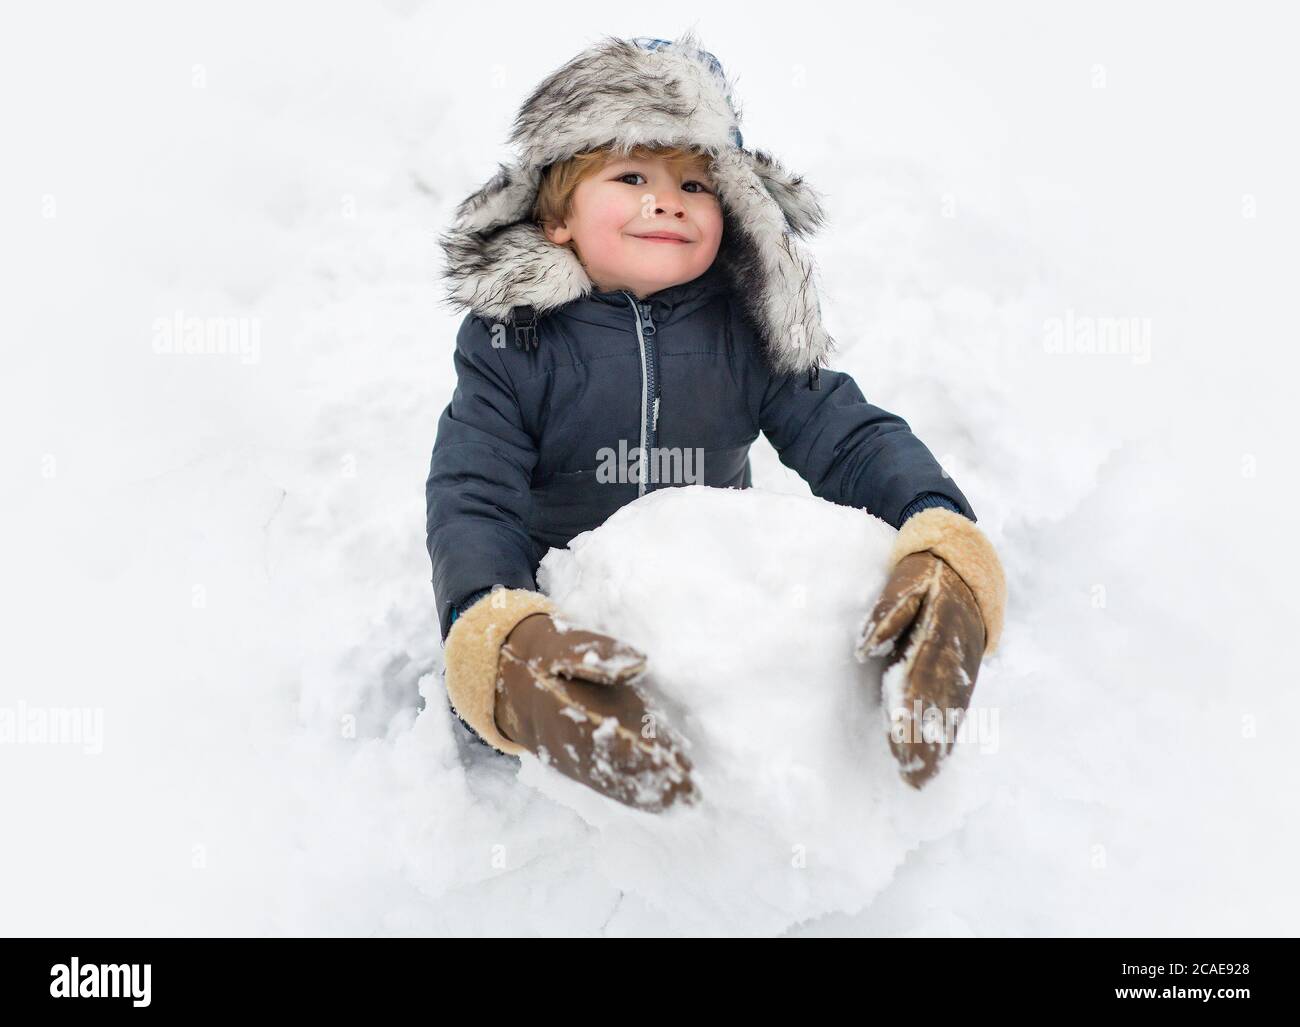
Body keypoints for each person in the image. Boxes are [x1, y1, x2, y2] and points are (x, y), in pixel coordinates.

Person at [426, 33, 1007, 811]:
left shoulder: (744, 332)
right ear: (556, 215)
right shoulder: (513, 341)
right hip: (559, 615)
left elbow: (847, 431)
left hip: (698, 607)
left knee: (716, 768)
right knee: (532, 783)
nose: (666, 199)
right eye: (631, 174)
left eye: (697, 184)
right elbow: (473, 492)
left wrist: (935, 527)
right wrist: (495, 624)